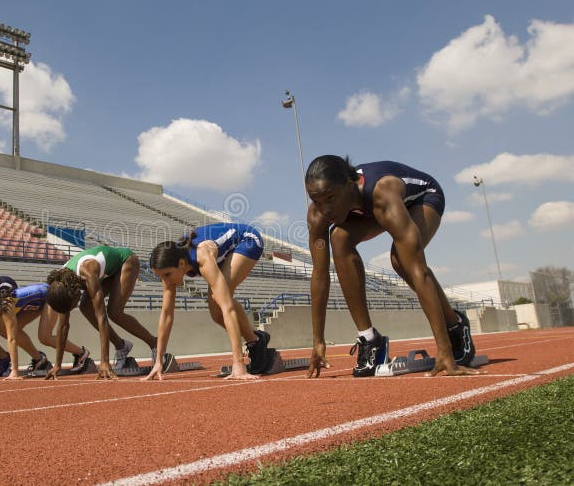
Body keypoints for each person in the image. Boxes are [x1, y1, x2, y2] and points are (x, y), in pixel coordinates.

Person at [303, 155, 483, 378]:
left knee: (400, 260)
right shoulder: (318, 214)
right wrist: (318, 341)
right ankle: (370, 339)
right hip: (369, 208)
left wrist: (444, 350)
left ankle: (455, 325)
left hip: (422, 198)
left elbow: (420, 271)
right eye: (317, 200)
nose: (325, 209)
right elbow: (320, 275)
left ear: (350, 184)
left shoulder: (383, 191)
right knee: (339, 239)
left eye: (330, 198)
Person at [146, 223, 271, 380]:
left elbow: (228, 308)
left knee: (218, 301)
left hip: (247, 240)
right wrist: (158, 361)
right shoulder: (171, 267)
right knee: (215, 314)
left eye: (167, 275)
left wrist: (238, 364)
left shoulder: (202, 257)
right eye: (160, 277)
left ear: (182, 264)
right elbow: (166, 316)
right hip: (223, 252)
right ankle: (256, 339)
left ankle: (254, 343)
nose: (165, 281)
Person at [45, 245, 155, 380]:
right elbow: (63, 327)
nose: (71, 310)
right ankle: (122, 346)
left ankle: (155, 343)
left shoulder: (88, 271)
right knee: (85, 307)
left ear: (74, 294)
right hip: (107, 271)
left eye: (71, 307)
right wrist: (57, 365)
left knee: (114, 312)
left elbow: (101, 317)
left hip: (126, 261)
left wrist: (104, 362)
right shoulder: (61, 284)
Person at [0, 282, 91, 375]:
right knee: (3, 331)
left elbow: (12, 339)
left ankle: (81, 353)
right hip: (34, 303)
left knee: (44, 337)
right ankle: (39, 359)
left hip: (48, 296)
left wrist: (15, 371)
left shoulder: (3, 307)